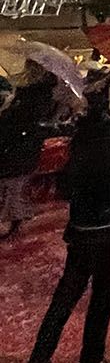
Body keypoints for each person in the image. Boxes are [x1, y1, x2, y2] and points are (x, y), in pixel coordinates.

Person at [16, 73, 110, 363]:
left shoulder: (89, 132)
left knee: (66, 296)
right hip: (107, 228)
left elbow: (70, 179)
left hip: (81, 225)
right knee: (102, 294)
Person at [0, 64, 60, 237]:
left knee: (12, 187)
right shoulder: (37, 95)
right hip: (22, 148)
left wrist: (8, 110)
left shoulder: (33, 97)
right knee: (12, 187)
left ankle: (15, 221)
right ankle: (17, 218)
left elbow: (17, 122)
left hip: (18, 148)